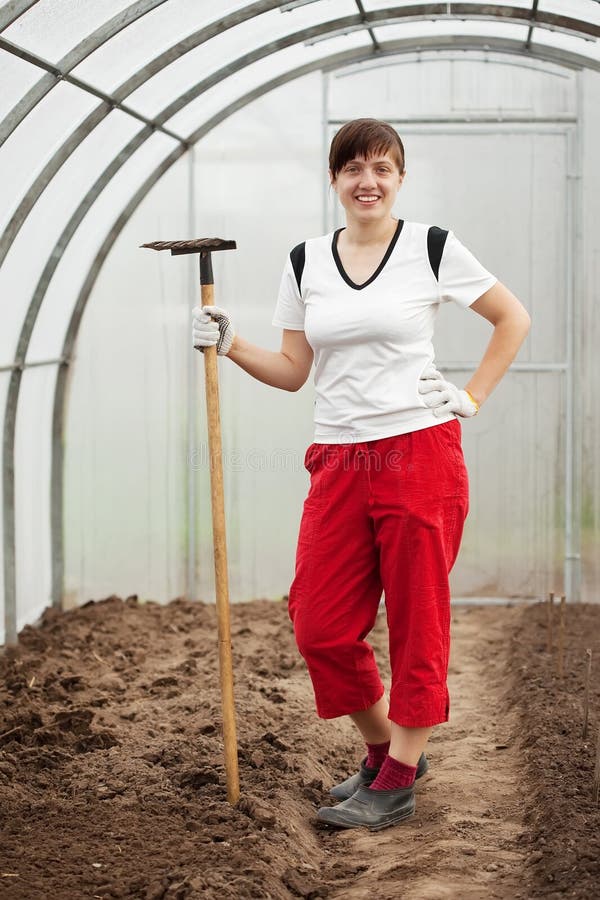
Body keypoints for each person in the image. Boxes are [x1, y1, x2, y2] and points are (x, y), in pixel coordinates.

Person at [191, 118, 530, 831]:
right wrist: (230, 342)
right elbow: (292, 373)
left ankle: (398, 779)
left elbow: (512, 319)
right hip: (340, 458)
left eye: (381, 167)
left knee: (416, 617)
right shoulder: (306, 260)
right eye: (353, 169)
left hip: (417, 453)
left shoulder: (431, 246)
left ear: (400, 177)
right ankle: (386, 750)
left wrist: (470, 397)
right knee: (318, 623)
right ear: (334, 180)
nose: (367, 181)